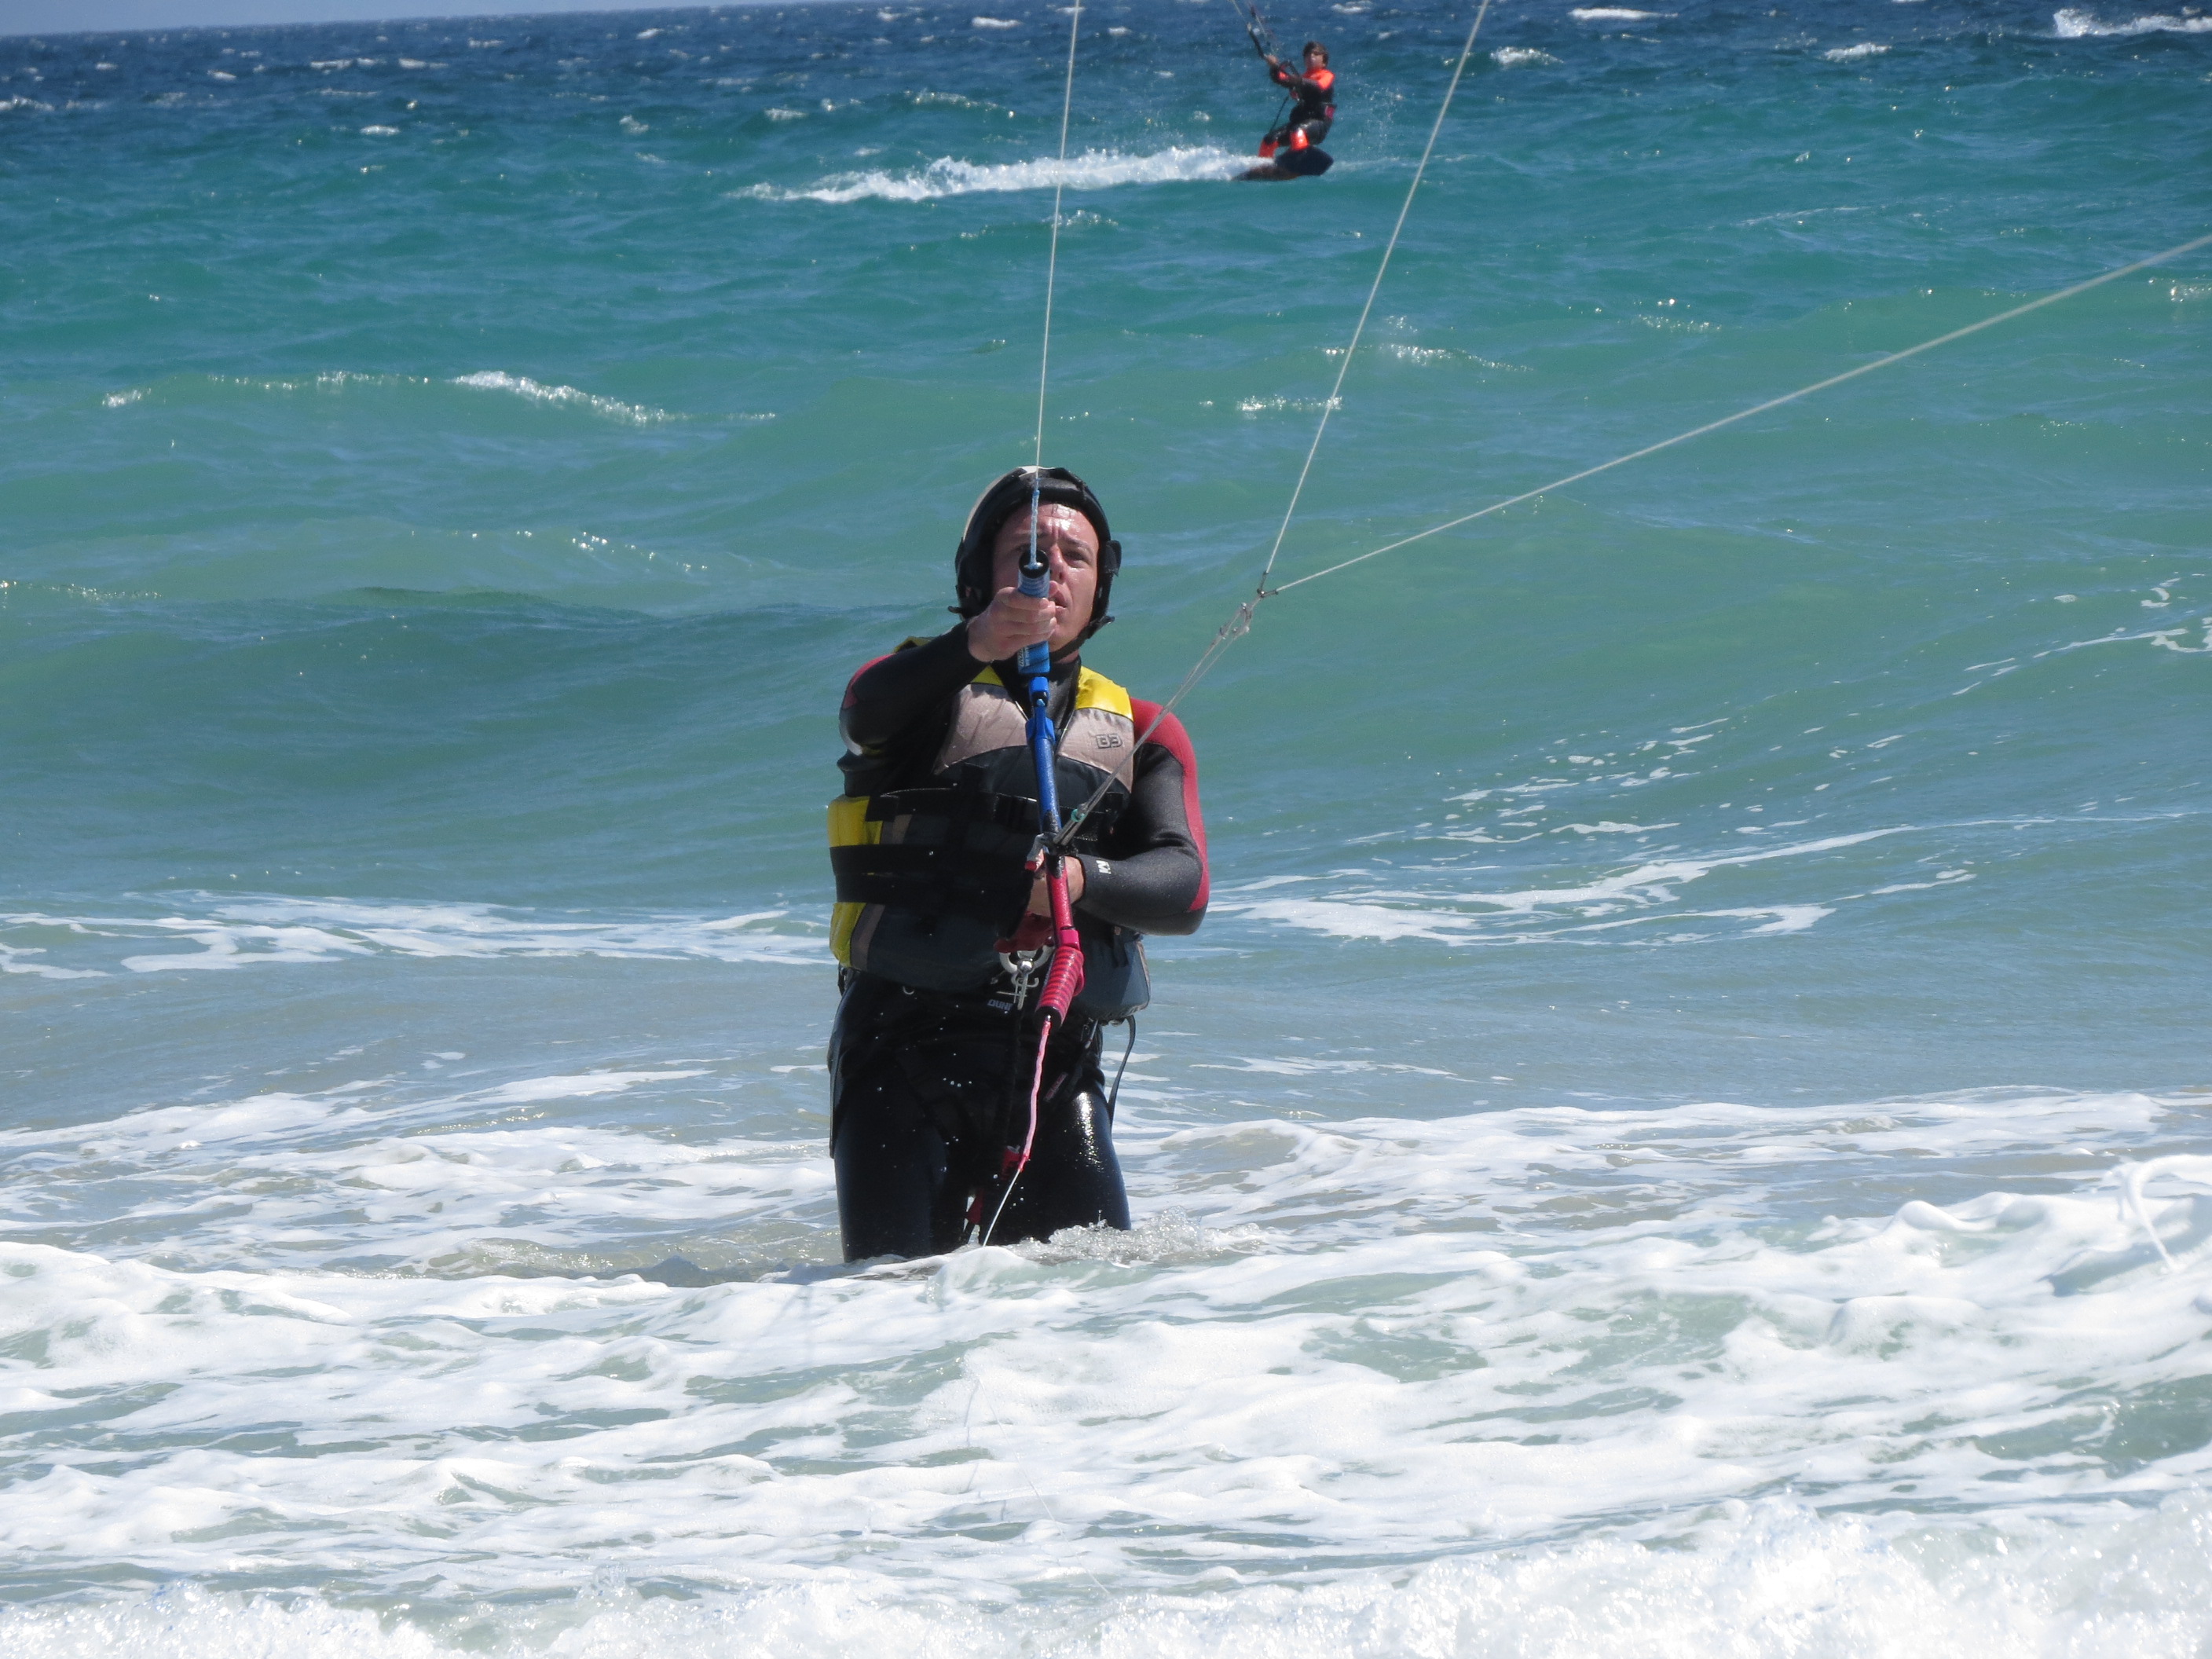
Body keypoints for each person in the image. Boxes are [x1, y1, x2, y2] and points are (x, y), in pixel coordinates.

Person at [826, 467, 1209, 1262]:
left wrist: (1079, 882)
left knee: (1090, 1293)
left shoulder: (1143, 730)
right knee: (886, 1303)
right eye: (1025, 552)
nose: (1050, 570)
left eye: (1076, 556)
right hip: (902, 1049)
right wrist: (978, 644)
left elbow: (1184, 889)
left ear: (1099, 587)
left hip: (1053, 1065)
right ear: (979, 576)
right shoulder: (917, 688)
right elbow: (863, 716)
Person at [1257, 38, 1336, 178]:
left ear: (1324, 61)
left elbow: (1318, 87)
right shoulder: (1302, 77)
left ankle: (1298, 161)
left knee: (1297, 131)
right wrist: (1274, 67)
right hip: (1301, 121)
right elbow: (1282, 79)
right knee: (1269, 139)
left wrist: (1296, 81)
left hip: (1319, 123)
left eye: (1315, 55)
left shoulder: (1326, 75)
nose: (1311, 57)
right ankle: (1263, 167)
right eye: (1308, 55)